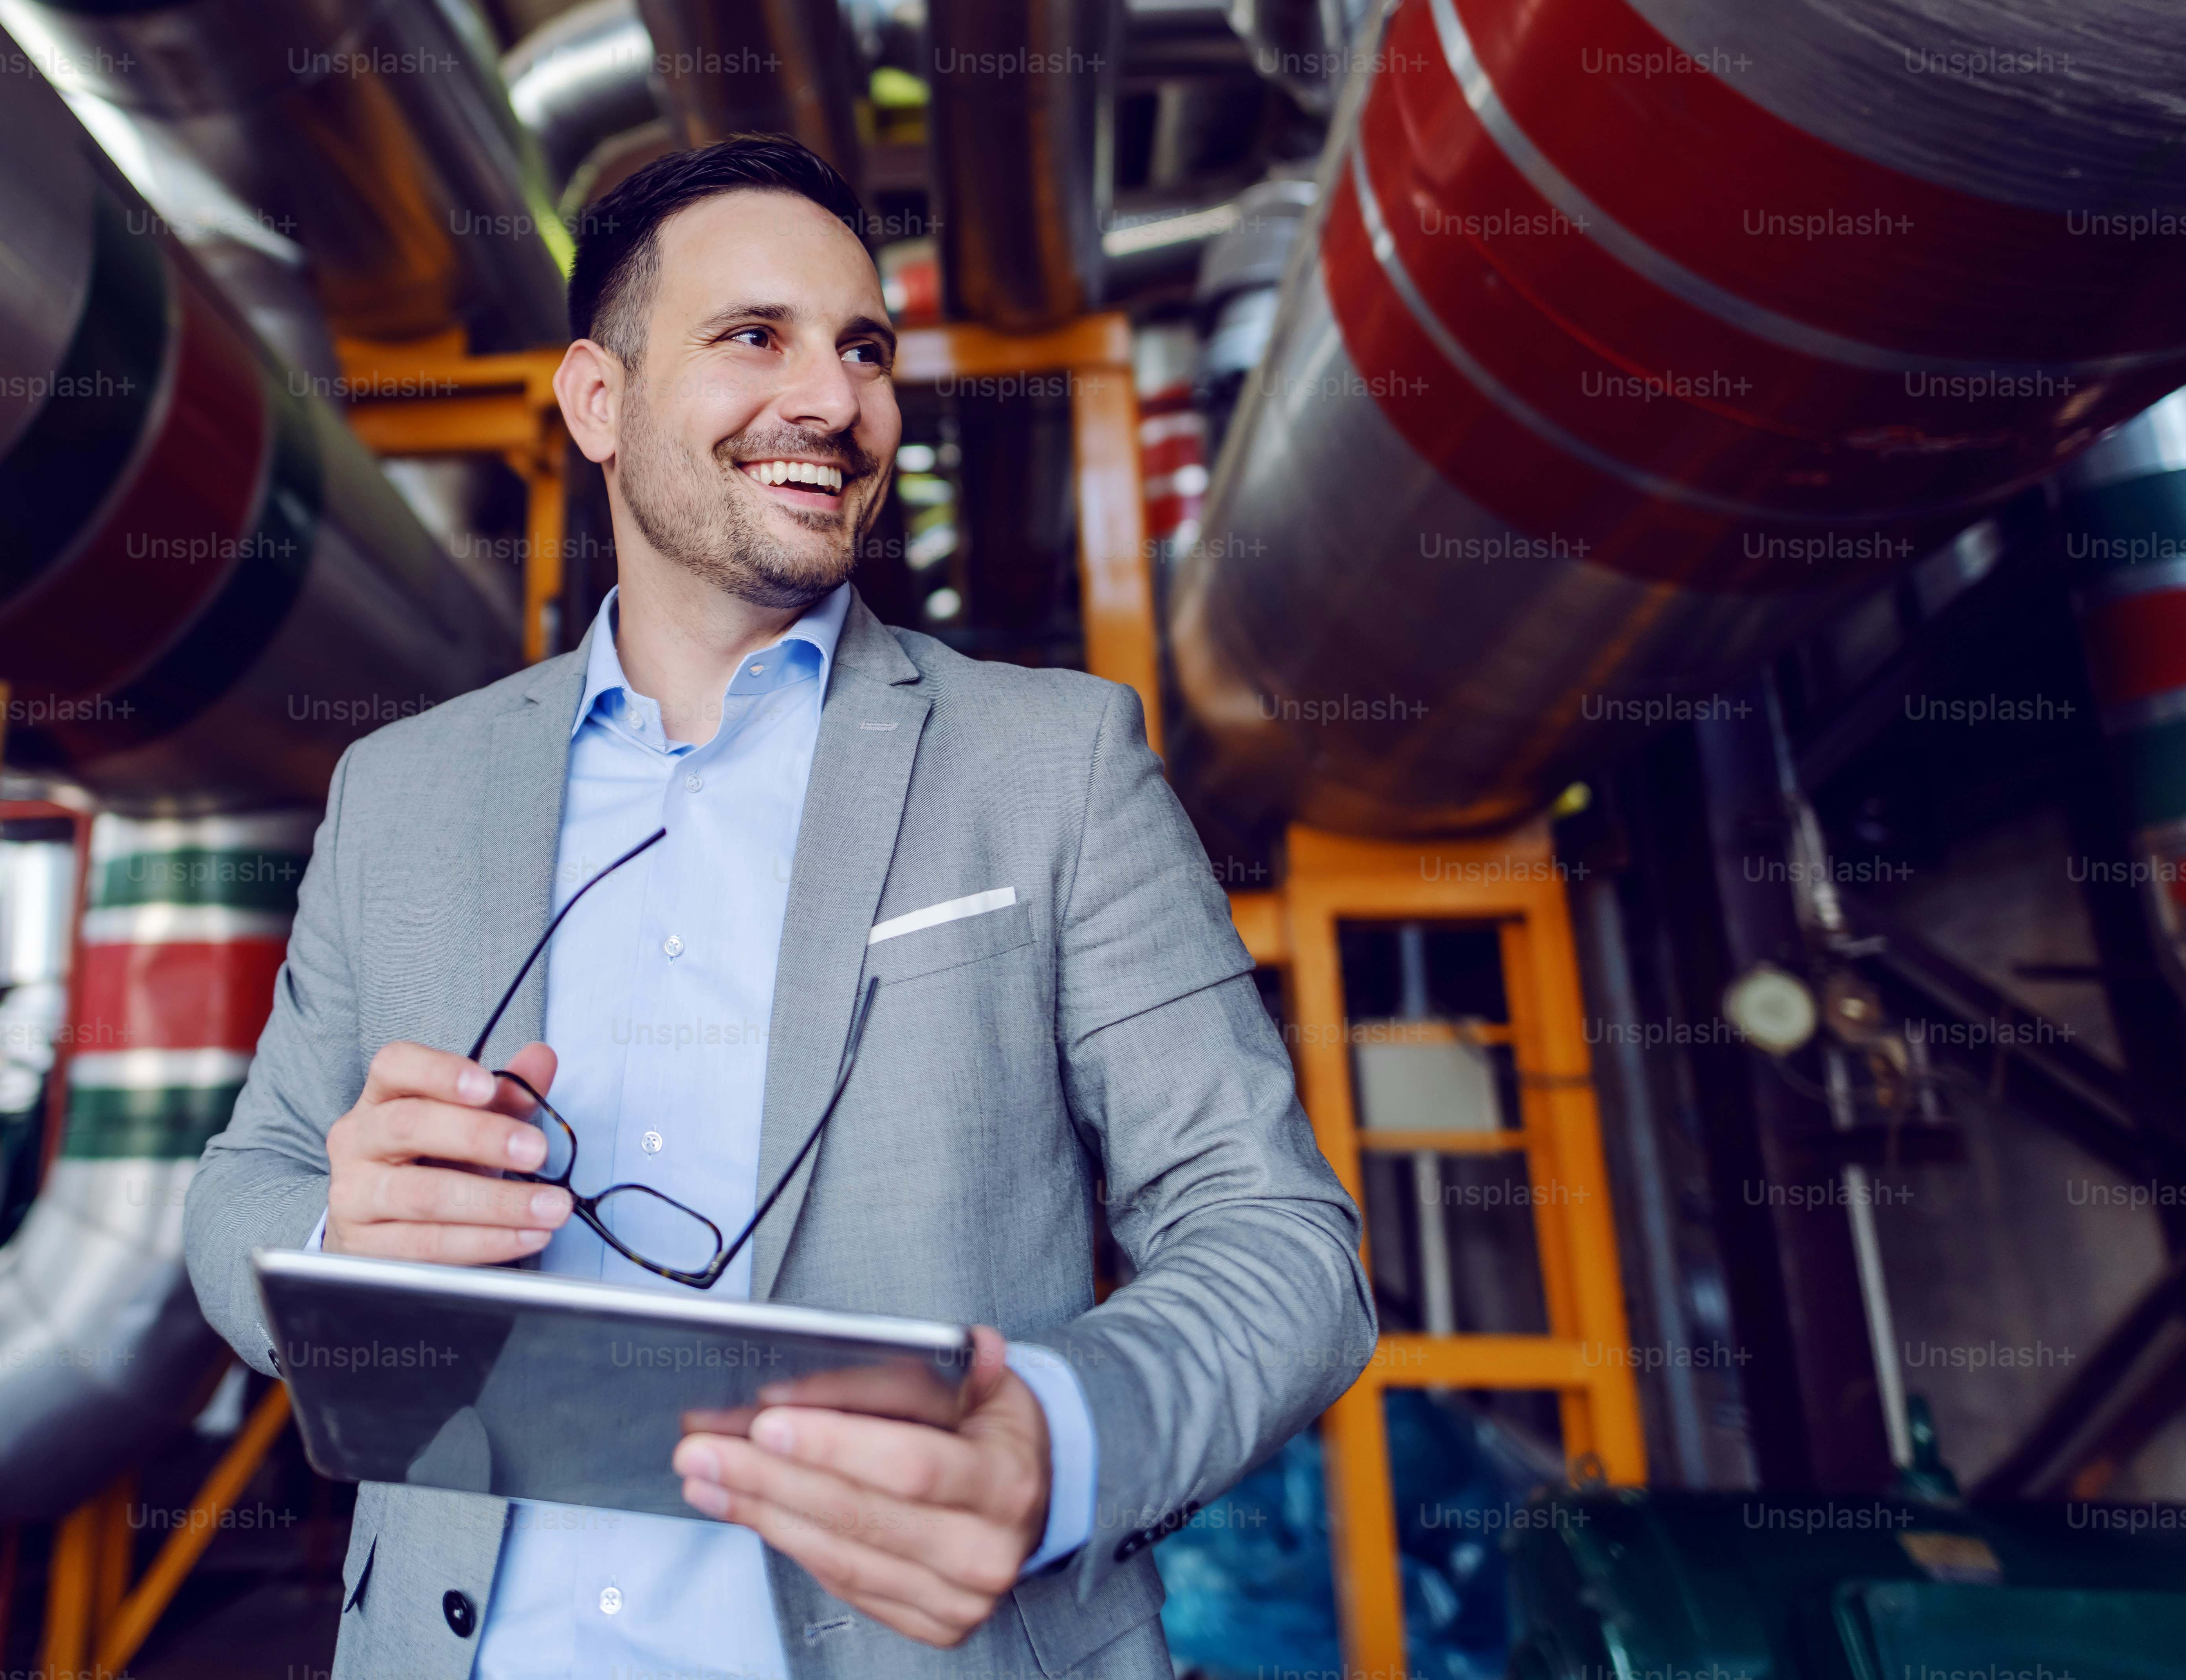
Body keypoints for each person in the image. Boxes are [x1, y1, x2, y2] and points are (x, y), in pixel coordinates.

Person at [184, 135, 1374, 1678]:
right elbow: (244, 1185)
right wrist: (345, 1229)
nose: (836, 400)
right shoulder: (403, 791)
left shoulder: (1052, 761)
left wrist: (1057, 1436)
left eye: (864, 348)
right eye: (756, 336)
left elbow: (1278, 1236)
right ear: (596, 403)